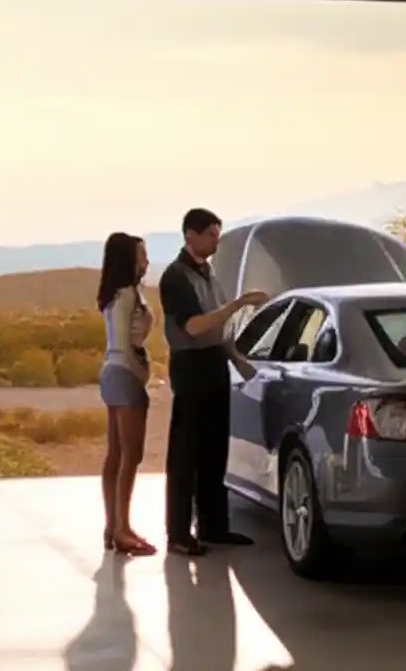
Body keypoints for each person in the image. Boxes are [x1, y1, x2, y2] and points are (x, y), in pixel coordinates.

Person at [158, 208, 267, 556]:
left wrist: (237, 360)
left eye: (217, 235)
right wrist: (238, 304)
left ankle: (213, 525)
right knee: (186, 450)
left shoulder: (209, 274)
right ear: (191, 234)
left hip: (214, 362)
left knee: (214, 447)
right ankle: (177, 533)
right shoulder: (176, 277)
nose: (215, 242)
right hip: (190, 364)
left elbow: (218, 330)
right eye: (210, 235)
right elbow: (194, 325)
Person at [98, 232, 157, 556]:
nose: (146, 261)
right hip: (124, 373)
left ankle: (114, 525)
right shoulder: (126, 295)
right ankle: (122, 529)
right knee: (130, 454)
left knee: (116, 454)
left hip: (113, 372)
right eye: (141, 255)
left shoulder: (118, 293)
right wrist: (138, 375)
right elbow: (123, 342)